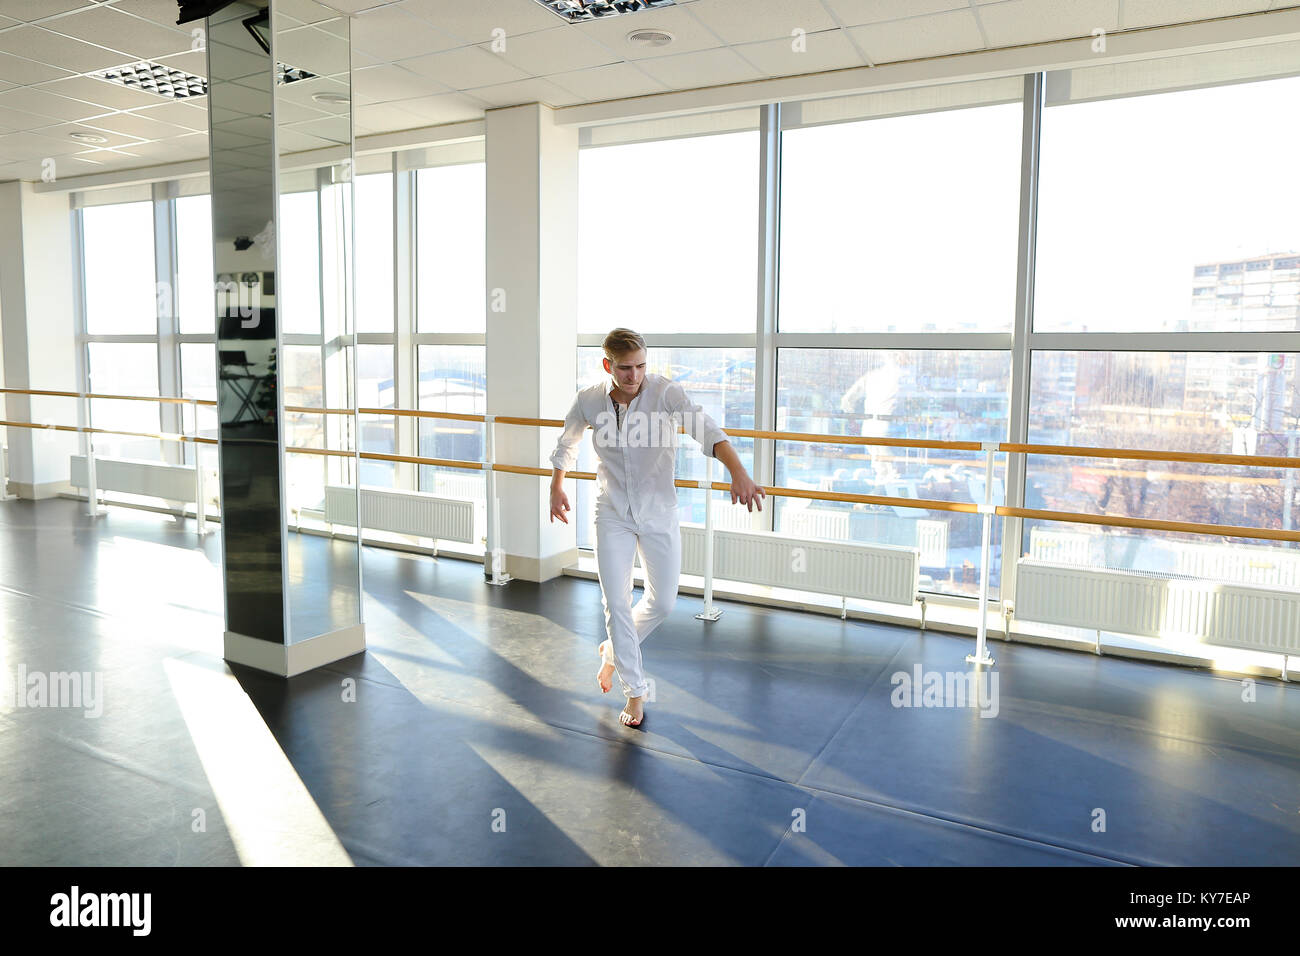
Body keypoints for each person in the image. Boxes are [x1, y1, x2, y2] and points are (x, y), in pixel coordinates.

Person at [548, 328, 765, 728]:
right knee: (615, 603)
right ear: (607, 365)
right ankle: (635, 692)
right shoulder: (589, 399)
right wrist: (556, 485)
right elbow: (568, 443)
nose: (635, 376)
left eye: (641, 366)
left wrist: (739, 473)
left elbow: (708, 431)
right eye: (625, 368)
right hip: (610, 510)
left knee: (663, 602)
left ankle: (612, 653)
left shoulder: (666, 393)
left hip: (658, 511)